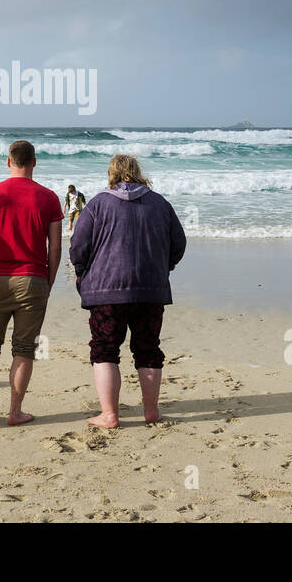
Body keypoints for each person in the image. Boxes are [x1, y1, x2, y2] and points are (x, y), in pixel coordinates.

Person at [69, 154, 186, 428]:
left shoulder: (98, 203)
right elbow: (178, 243)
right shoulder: (160, 203)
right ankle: (151, 411)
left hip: (106, 290)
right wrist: (163, 267)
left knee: (105, 349)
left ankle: (109, 415)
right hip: (150, 289)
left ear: (112, 173)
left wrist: (80, 272)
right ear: (137, 172)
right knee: (148, 349)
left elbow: (78, 245)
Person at [0, 140, 63, 426]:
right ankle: (15, 411)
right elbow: (55, 248)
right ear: (34, 162)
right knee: (24, 350)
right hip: (33, 279)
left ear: (8, 162)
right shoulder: (48, 198)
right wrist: (49, 280)